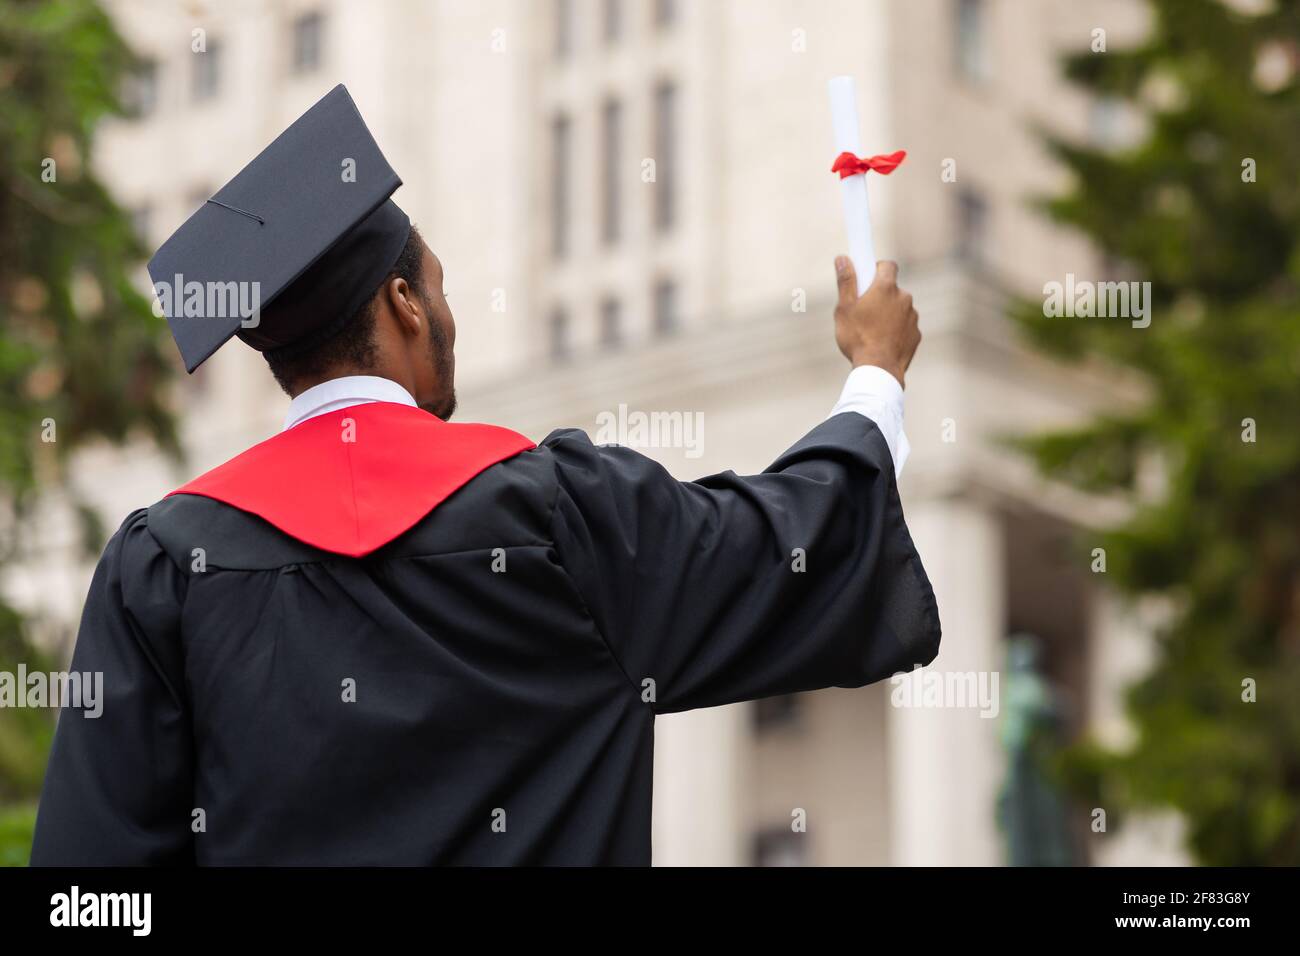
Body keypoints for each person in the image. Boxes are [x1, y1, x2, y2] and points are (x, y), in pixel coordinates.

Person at [31, 85, 939, 865]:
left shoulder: (167, 566)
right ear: (404, 307)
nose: (447, 310)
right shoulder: (562, 515)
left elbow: (91, 888)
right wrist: (874, 375)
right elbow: (790, 543)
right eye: (439, 285)